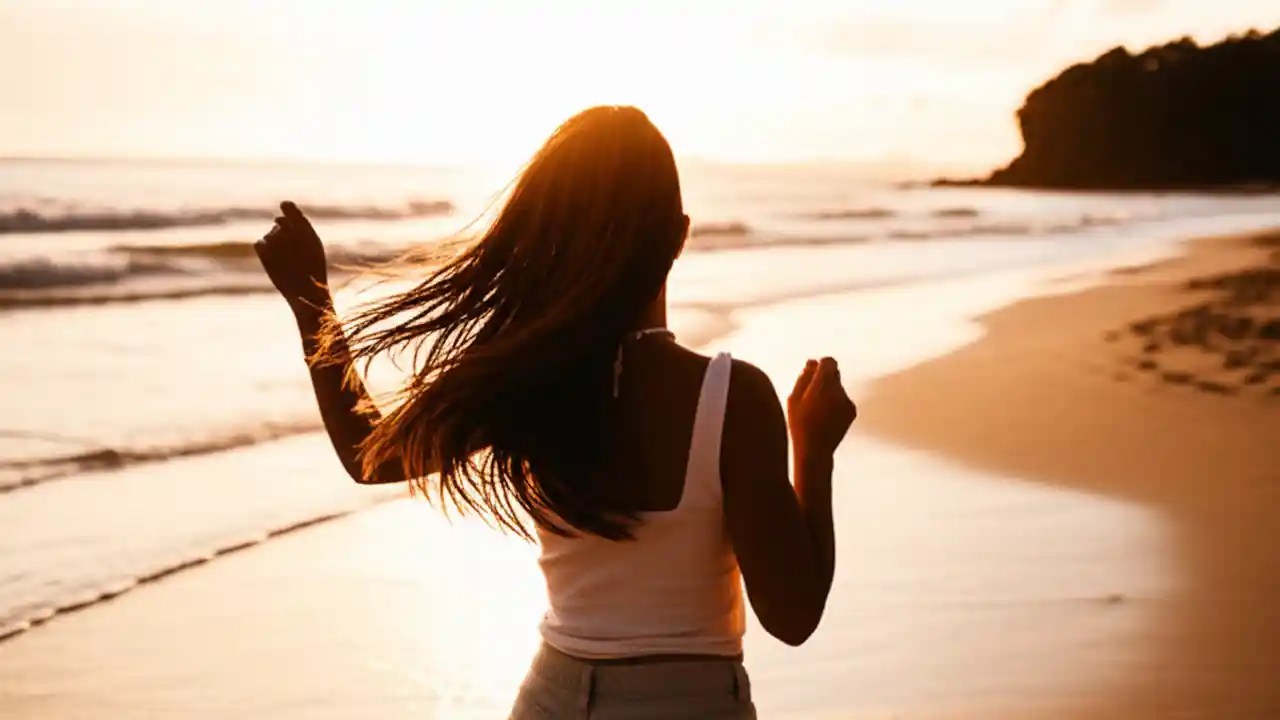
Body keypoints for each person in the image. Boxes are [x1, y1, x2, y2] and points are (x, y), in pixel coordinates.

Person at [255, 105, 856, 719]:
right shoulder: (732, 397)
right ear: (679, 235)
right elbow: (793, 614)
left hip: (552, 699)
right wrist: (815, 451)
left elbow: (369, 454)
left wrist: (313, 301)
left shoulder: (528, 377)